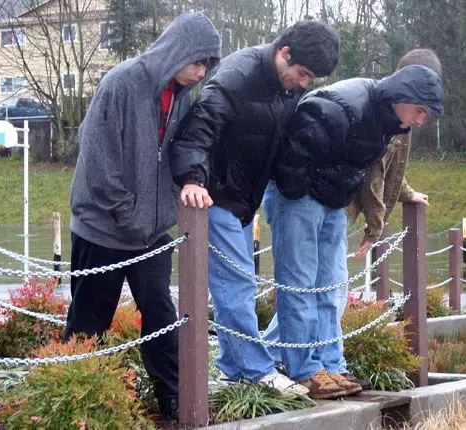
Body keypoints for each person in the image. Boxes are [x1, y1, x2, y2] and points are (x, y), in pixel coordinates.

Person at [64, 12, 221, 422]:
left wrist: (162, 207)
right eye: (196, 61)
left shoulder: (182, 97)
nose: (200, 71)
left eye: (208, 64)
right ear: (177, 50)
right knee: (88, 322)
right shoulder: (121, 82)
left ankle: (172, 399)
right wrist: (128, 213)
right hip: (102, 225)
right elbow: (97, 158)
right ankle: (74, 402)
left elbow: (179, 153)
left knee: (163, 319)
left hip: (151, 231)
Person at [169, 21, 340, 396]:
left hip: (245, 199)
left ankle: (234, 366)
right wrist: (193, 179)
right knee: (237, 283)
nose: (304, 84)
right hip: (212, 195)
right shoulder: (239, 74)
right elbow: (198, 127)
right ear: (285, 54)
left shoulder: (285, 89)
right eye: (303, 73)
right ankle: (255, 370)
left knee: (238, 284)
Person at [261, 49, 444, 390]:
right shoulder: (346, 105)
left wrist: (336, 201)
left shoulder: (392, 121)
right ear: (404, 94)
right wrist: (301, 197)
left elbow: (375, 170)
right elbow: (294, 149)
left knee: (331, 287)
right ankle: (303, 369)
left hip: (332, 202)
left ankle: (332, 365)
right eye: (420, 111)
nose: (420, 121)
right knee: (300, 284)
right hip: (300, 198)